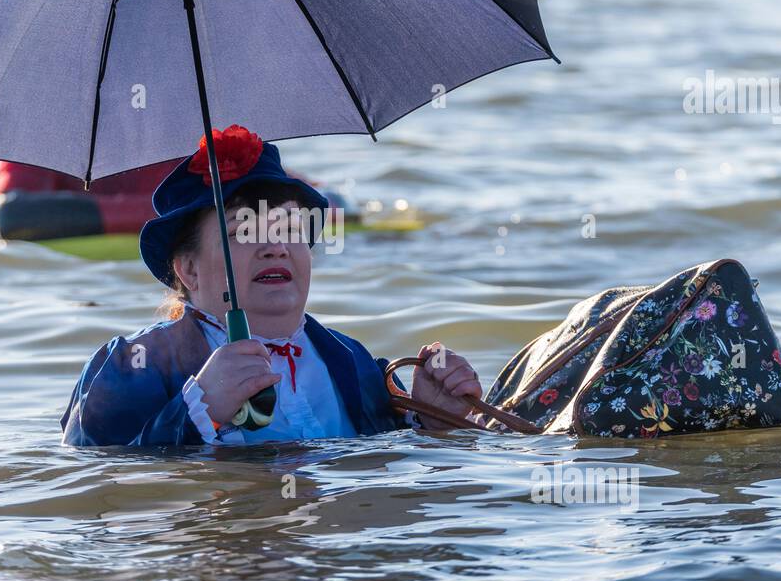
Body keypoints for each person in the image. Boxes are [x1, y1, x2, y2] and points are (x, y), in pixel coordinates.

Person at [61, 125, 483, 447]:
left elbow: (387, 474)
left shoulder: (351, 360)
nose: (275, 247)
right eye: (242, 232)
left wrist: (434, 424)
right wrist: (198, 411)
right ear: (188, 270)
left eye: (289, 227)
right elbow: (95, 486)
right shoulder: (131, 366)